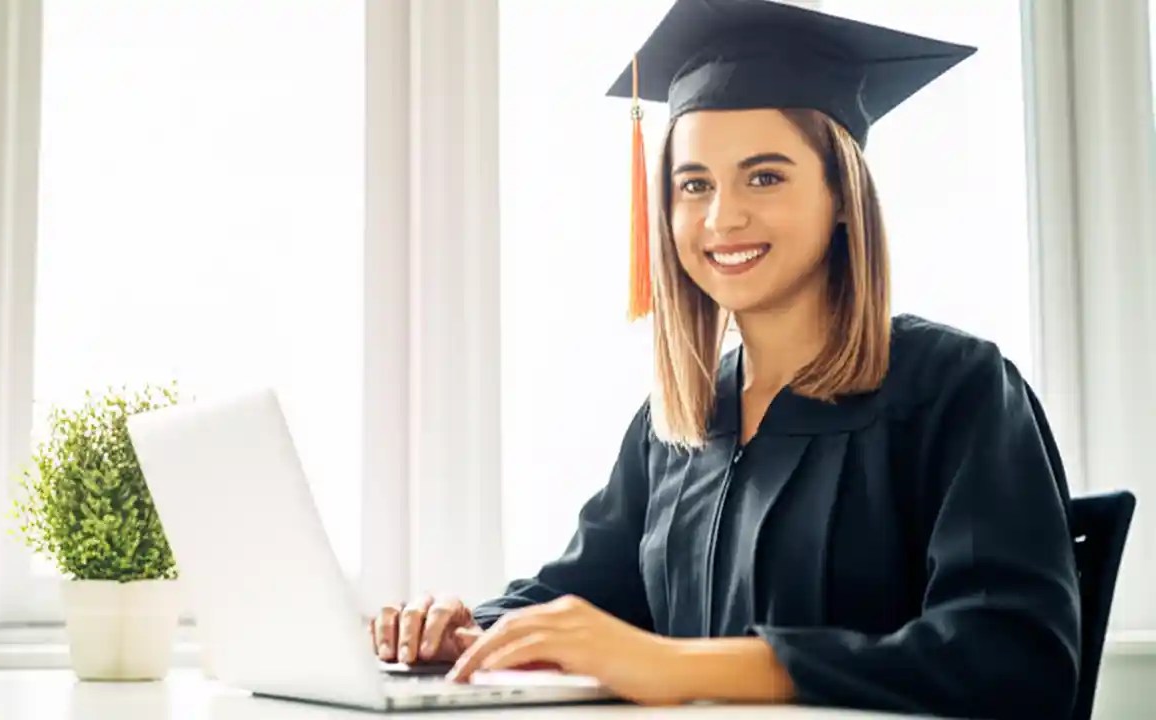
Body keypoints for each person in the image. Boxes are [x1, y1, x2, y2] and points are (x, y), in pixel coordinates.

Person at [368, 1, 1081, 717]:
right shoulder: (675, 425)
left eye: (764, 177)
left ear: (842, 195)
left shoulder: (954, 389)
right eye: (694, 184)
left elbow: (1014, 656)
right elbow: (578, 598)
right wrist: (464, 632)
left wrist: (676, 666)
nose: (722, 217)